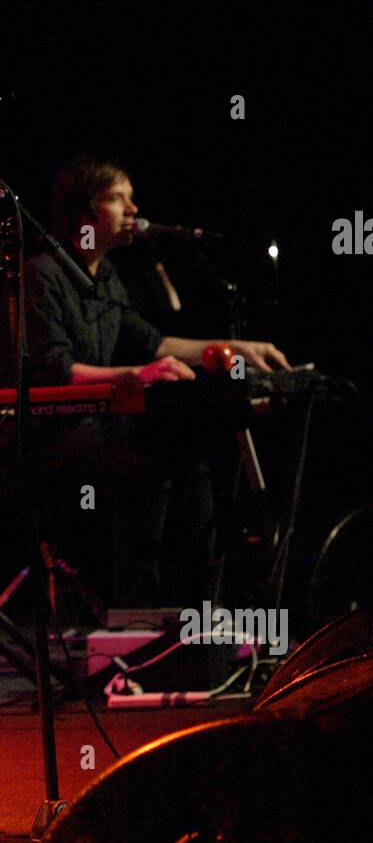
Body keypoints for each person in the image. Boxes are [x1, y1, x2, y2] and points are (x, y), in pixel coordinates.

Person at [25, 155, 289, 606]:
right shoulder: (43, 273)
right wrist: (138, 374)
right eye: (117, 198)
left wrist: (241, 349)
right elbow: (57, 371)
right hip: (46, 432)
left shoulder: (106, 277)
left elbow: (154, 343)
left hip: (98, 424)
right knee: (153, 463)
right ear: (84, 210)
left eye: (132, 199)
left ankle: (198, 605)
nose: (133, 209)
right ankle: (136, 606)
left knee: (193, 457)